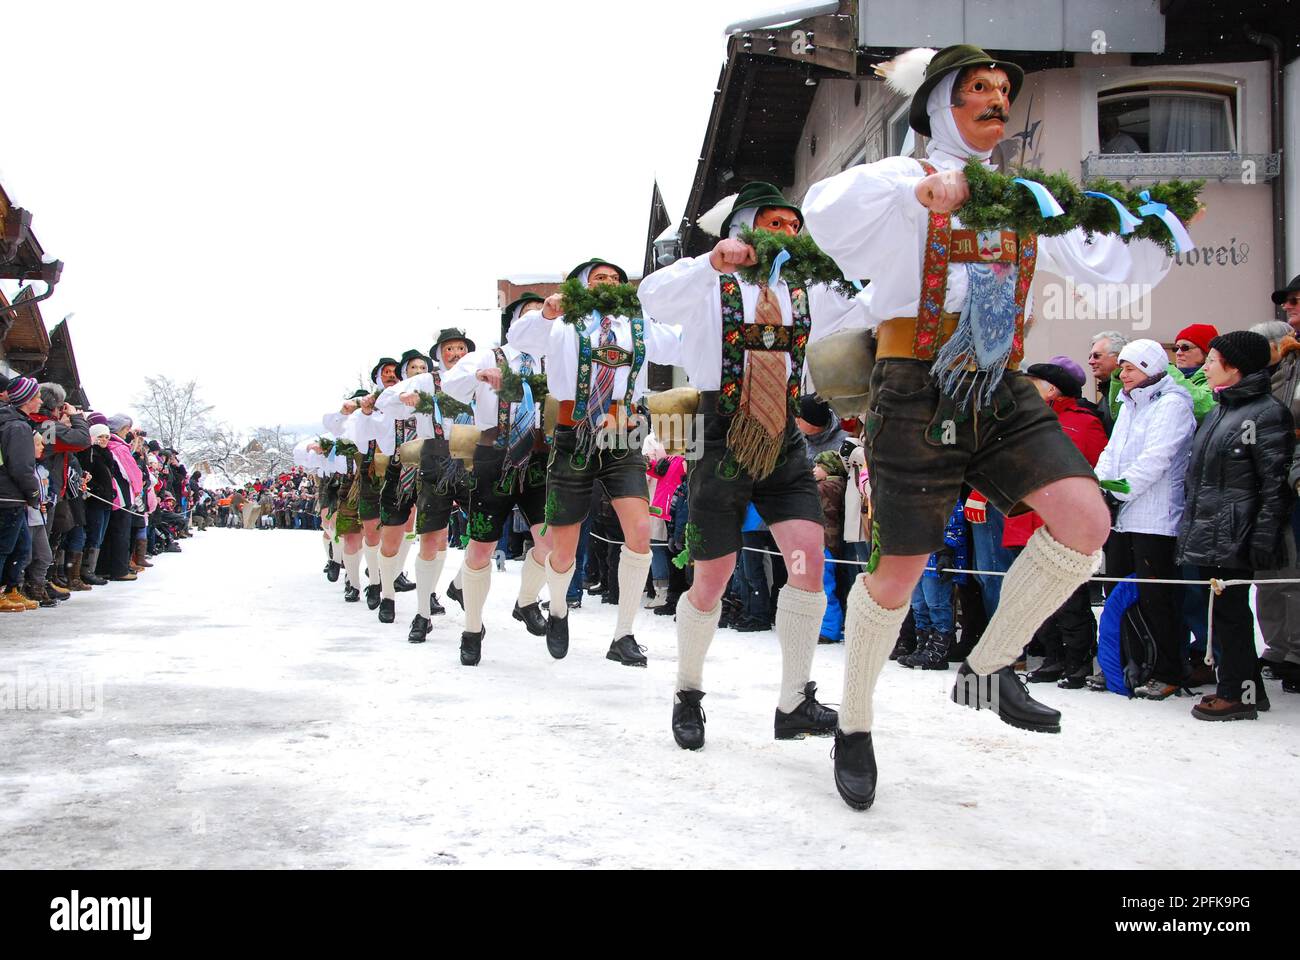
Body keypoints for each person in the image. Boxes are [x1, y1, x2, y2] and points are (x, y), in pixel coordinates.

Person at [803, 43, 1177, 810]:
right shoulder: (902, 180)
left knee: (1084, 522)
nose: (996, 99)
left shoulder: (1025, 196)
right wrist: (918, 194)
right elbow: (825, 213)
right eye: (979, 87)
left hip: (1002, 383)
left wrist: (1159, 224)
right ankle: (856, 723)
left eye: (1004, 89)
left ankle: (990, 665)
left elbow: (1108, 259)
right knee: (900, 572)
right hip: (914, 384)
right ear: (941, 105)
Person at [638, 181, 864, 750]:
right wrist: (710, 260)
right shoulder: (707, 282)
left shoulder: (809, 288)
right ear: (743, 229)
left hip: (784, 438)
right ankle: (688, 690)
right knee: (711, 579)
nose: (788, 234)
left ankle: (794, 700)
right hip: (720, 437)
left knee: (807, 561)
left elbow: (870, 301)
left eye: (794, 225)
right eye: (775, 223)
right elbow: (652, 298)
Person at [508, 256, 682, 667]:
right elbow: (519, 337)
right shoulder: (564, 323)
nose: (608, 282)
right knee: (563, 548)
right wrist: (548, 311)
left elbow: (680, 339)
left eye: (615, 278)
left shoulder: (635, 325)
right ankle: (558, 610)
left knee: (640, 532)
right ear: (582, 287)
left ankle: (623, 634)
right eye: (598, 277)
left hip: (623, 433)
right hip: (573, 433)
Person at [1177, 331, 1296, 719]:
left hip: (1237, 531)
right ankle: (1248, 689)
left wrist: (1264, 535)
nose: (1206, 366)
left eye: (1212, 360)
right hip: (1211, 529)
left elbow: (1273, 483)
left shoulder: (1266, 413)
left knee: (1231, 614)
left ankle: (1237, 696)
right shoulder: (1220, 410)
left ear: (1236, 367)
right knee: (1225, 613)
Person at [438, 299, 557, 664]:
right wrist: (478, 376)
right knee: (480, 549)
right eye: (530, 313)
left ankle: (525, 601)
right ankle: (472, 628)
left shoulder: (554, 356)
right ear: (514, 323)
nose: (540, 318)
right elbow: (451, 385)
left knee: (549, 541)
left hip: (537, 456)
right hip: (493, 458)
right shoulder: (489, 356)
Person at [1094, 339, 1197, 700]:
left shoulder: (1172, 405)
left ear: (1151, 368)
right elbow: (1111, 451)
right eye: (1121, 367)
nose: (1123, 375)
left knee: (1157, 596)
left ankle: (1168, 668)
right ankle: (1129, 661)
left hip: (1156, 517)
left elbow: (1157, 459)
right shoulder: (1127, 404)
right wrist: (1099, 484)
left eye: (1130, 368)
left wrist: (1116, 491)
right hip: (1123, 516)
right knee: (1120, 591)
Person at [1016, 357, 1108, 687]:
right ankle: (1053, 657)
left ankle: (1078, 660)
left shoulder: (1081, 420)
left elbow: (1093, 468)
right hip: (1031, 519)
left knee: (1070, 597)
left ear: (1052, 389)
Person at [1249, 318, 1300, 684]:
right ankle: (1275, 646)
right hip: (1262, 487)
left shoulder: (1289, 376)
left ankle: (1295, 650)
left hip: (1288, 483)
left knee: (1291, 574)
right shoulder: (1261, 381)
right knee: (1266, 575)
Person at [0, 379, 44, 612]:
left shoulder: (16, 423)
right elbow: (20, 467)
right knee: (5, 547)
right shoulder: (17, 427)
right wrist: (33, 491)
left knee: (21, 546)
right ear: (26, 400)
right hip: (8, 495)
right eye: (37, 396)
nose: (41, 400)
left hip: (12, 495)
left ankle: (11, 589)